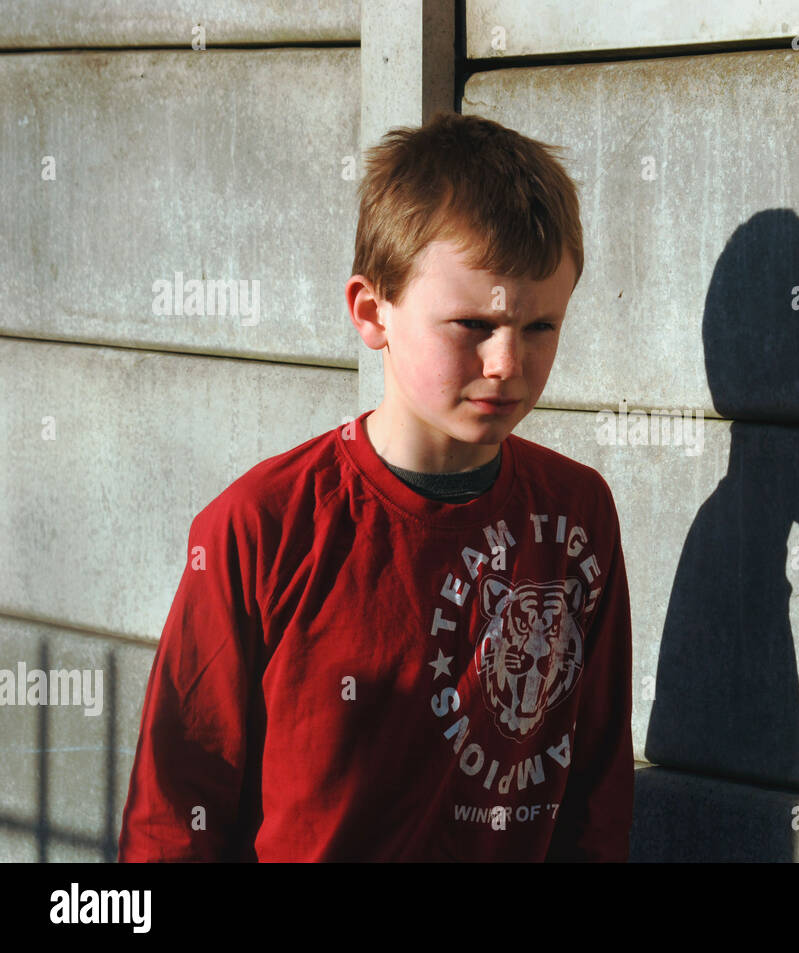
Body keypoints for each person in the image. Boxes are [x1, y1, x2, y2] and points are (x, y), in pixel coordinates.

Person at [117, 112, 633, 862]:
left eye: (541, 327)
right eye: (471, 325)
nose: (507, 363)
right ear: (371, 311)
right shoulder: (258, 528)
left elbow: (598, 787)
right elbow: (172, 816)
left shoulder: (578, 514)